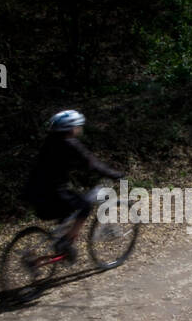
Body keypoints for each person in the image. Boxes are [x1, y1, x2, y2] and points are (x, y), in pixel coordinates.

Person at [23, 110, 124, 261]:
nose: (80, 129)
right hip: (54, 194)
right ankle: (66, 242)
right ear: (70, 128)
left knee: (69, 209)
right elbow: (92, 162)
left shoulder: (50, 142)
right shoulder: (70, 143)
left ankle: (62, 244)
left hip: (34, 193)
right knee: (85, 206)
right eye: (78, 126)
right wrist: (115, 174)